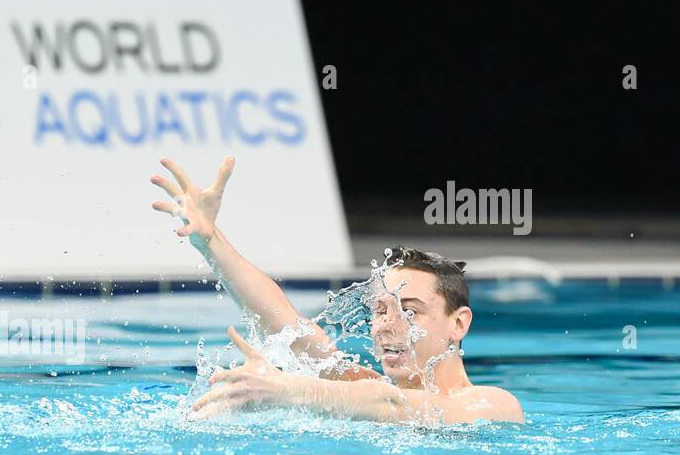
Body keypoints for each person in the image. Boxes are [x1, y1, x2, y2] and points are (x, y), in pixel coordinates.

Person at [149, 156, 523, 425]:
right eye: (380, 311)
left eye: (409, 311)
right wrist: (210, 241)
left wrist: (286, 390)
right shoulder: (358, 387)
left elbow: (394, 406)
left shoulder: (492, 405)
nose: (387, 327)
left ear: (459, 323)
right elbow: (286, 325)